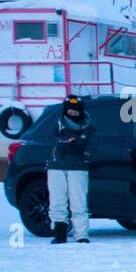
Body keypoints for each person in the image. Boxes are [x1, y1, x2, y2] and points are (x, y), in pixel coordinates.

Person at [47, 94, 93, 244]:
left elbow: (93, 145)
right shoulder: (56, 123)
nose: (72, 112)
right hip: (56, 166)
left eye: (75, 109)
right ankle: (59, 233)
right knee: (57, 201)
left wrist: (80, 144)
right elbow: (48, 140)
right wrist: (64, 142)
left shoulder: (88, 126)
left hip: (78, 167)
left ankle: (81, 235)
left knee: (78, 202)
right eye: (70, 109)